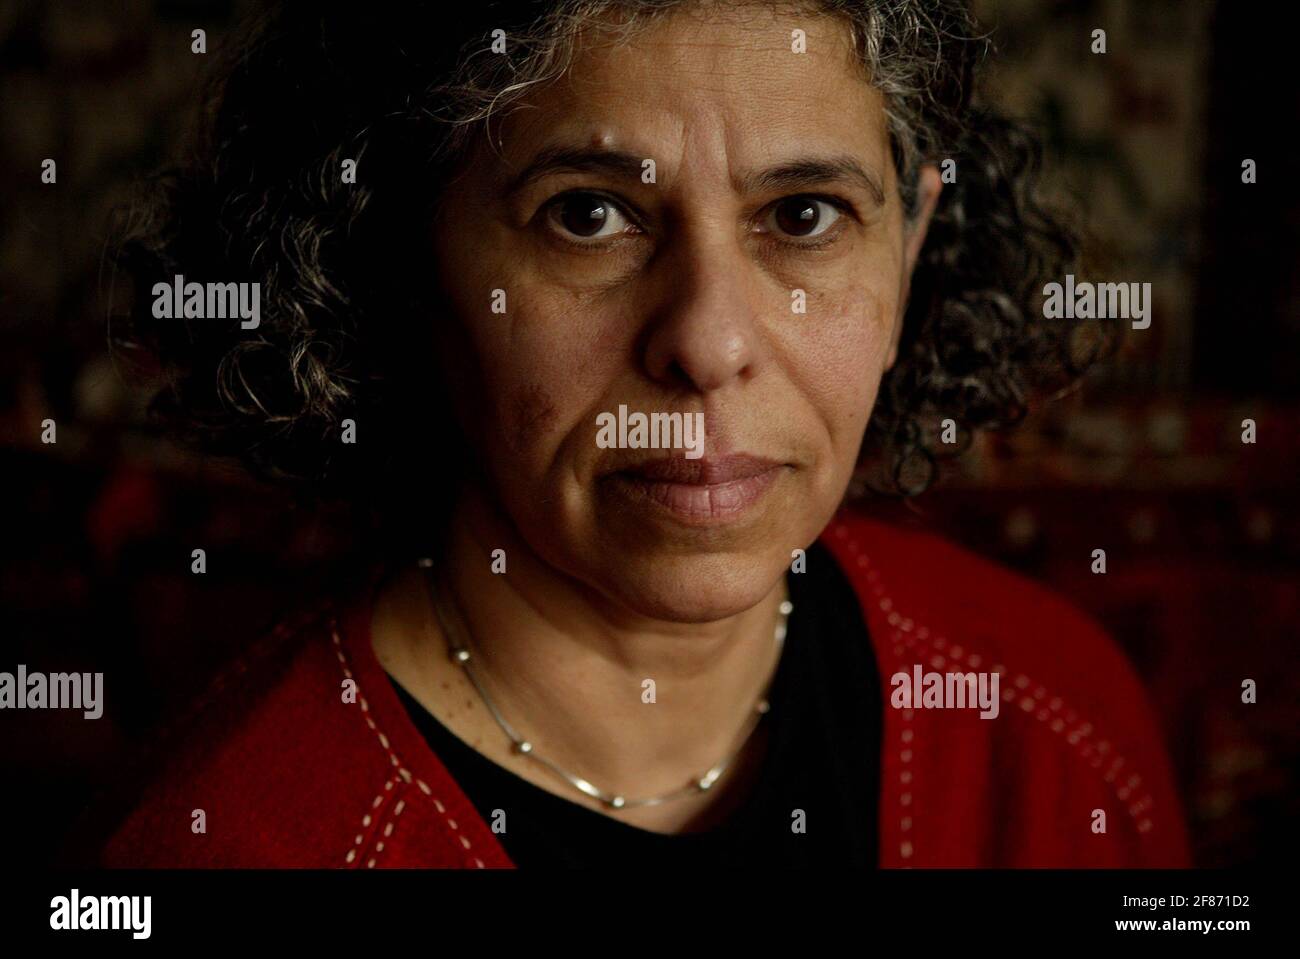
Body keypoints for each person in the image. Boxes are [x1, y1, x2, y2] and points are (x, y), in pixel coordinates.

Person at [84, 0, 1190, 868]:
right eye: (587, 214)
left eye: (803, 216)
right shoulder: (229, 840)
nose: (707, 341)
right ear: (400, 261)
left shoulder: (1053, 730)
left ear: (907, 251)